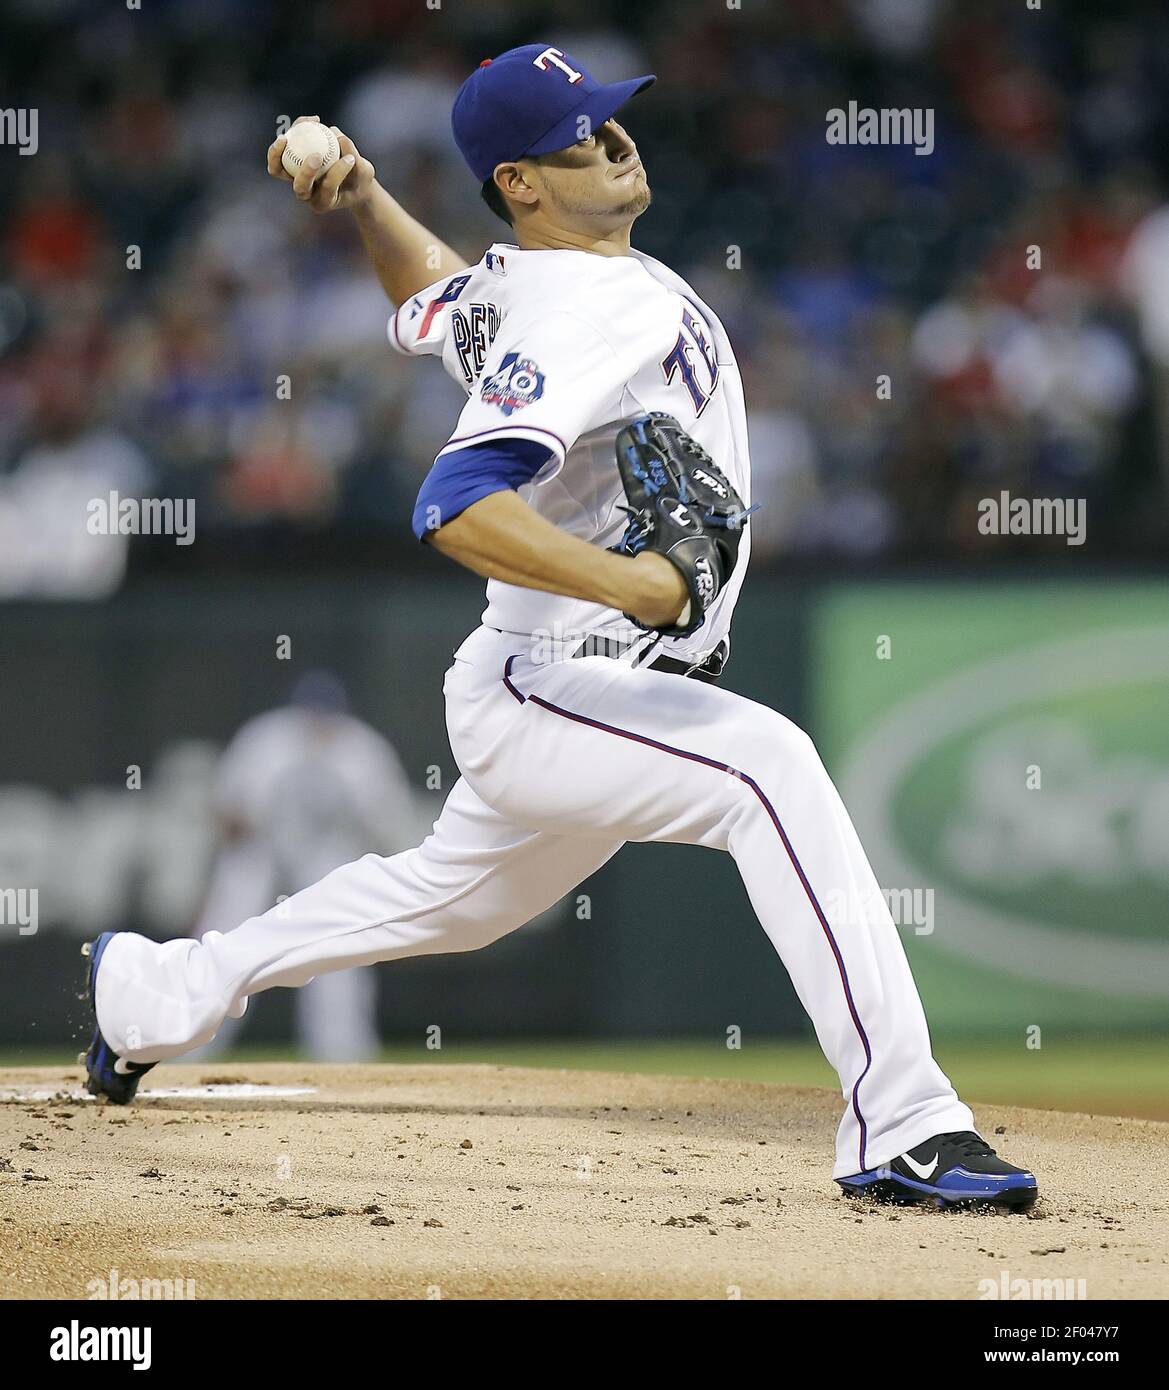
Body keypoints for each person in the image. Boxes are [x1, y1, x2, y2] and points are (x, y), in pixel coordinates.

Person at [82, 44, 1037, 1210]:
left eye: (613, 119)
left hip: (569, 689)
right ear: (522, 182)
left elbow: (437, 300)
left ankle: (154, 990)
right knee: (768, 768)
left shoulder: (533, 290)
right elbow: (454, 504)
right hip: (556, 681)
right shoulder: (578, 303)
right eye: (583, 132)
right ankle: (904, 1121)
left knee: (444, 898)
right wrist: (635, 586)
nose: (616, 141)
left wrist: (368, 199)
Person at [190, 671, 418, 1061]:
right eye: (311, 715)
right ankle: (188, 1048)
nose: (318, 724)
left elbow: (390, 826)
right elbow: (226, 815)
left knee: (338, 958)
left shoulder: (363, 750)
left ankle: (344, 1060)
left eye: (325, 716)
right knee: (222, 948)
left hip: (326, 861)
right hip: (259, 857)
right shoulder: (265, 739)